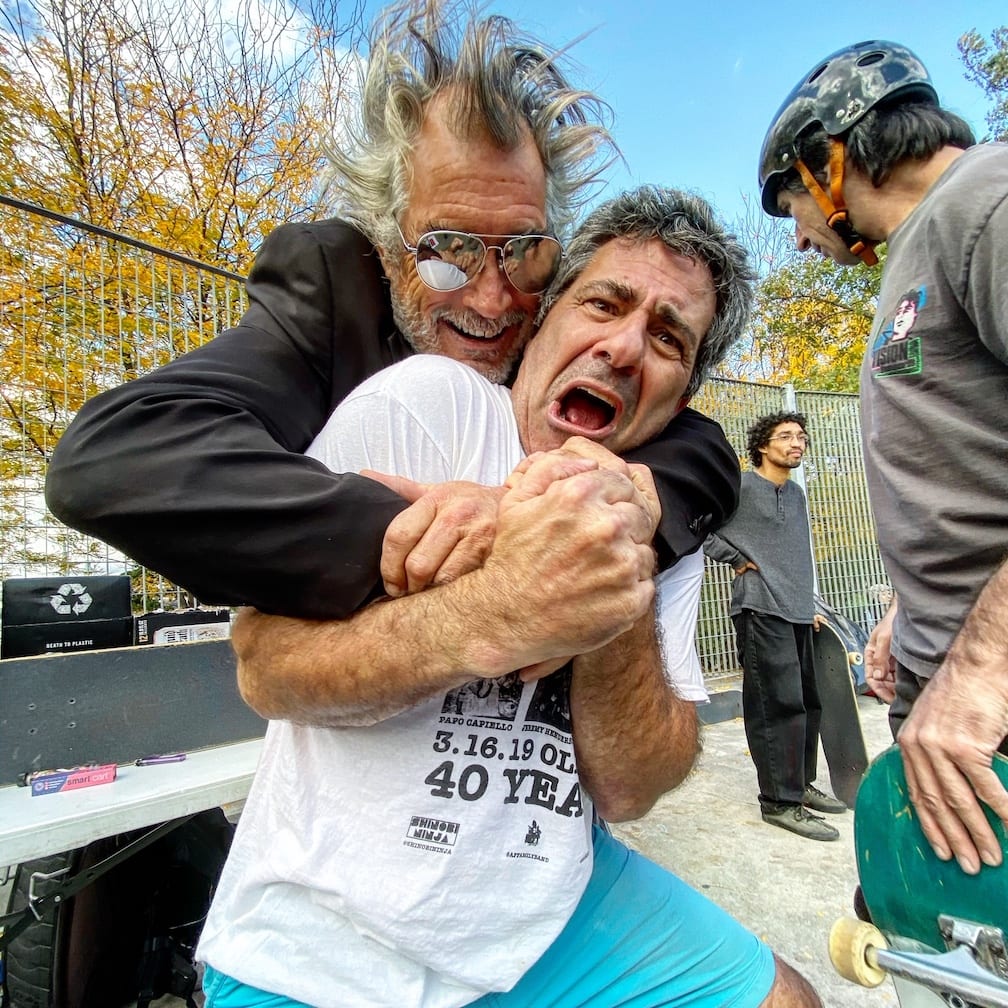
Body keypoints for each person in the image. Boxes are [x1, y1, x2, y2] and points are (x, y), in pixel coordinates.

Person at [195, 188, 822, 1008]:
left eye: (669, 338)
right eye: (605, 301)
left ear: (684, 391)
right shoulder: (427, 401)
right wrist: (491, 612)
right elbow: (267, 671)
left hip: (556, 913)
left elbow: (634, 789)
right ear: (544, 319)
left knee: (785, 998)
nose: (625, 347)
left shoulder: (658, 511)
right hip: (325, 935)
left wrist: (612, 576)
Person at [42, 0, 741, 624]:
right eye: (447, 251)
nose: (492, 298)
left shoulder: (559, 322)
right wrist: (450, 538)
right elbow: (118, 460)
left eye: (523, 250)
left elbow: (700, 450)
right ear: (385, 238)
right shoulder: (334, 292)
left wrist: (630, 505)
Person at [758, 39, 1008, 874]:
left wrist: (979, 673)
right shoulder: (923, 247)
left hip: (985, 709)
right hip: (954, 710)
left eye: (789, 201)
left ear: (830, 156)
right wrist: (918, 610)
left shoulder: (988, 201)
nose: (796, 237)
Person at [704, 412, 846, 842]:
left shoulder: (798, 495)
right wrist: (735, 560)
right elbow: (703, 530)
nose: (796, 443)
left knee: (807, 702)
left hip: (799, 611)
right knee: (777, 705)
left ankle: (800, 786)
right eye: (786, 436)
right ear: (763, 446)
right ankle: (779, 802)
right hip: (760, 608)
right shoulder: (742, 487)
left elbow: (798, 555)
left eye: (801, 437)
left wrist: (811, 603)